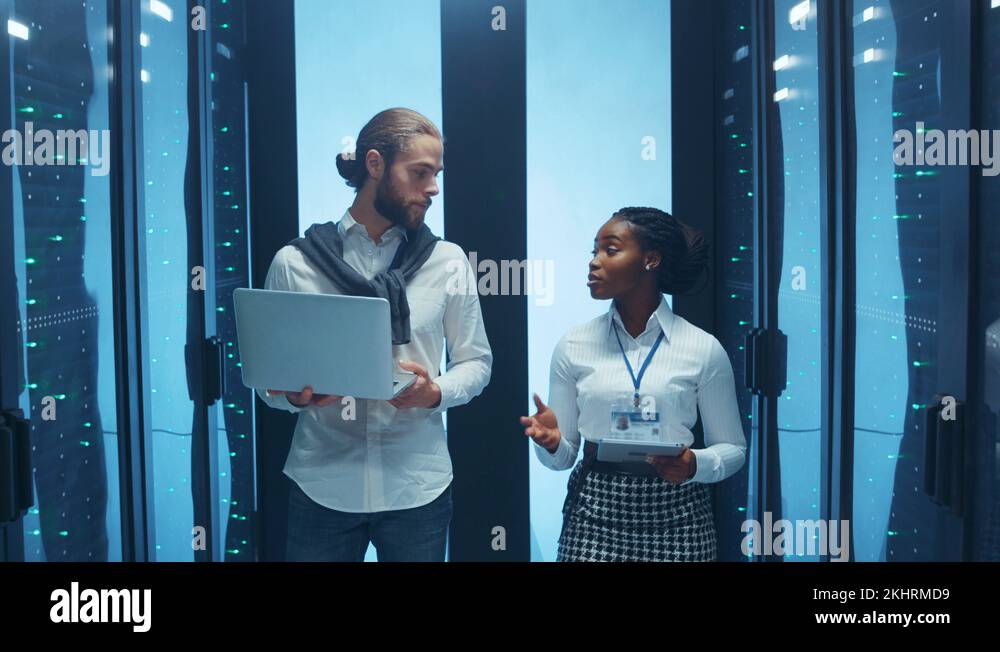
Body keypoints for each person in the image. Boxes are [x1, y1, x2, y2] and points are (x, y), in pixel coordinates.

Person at [257, 108, 492, 562]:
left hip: (416, 488)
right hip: (321, 485)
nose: (433, 188)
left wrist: (435, 391)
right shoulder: (295, 263)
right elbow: (268, 383)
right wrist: (292, 396)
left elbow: (477, 362)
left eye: (436, 174)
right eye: (420, 173)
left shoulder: (448, 261)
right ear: (375, 164)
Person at [520, 207, 746, 561]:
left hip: (679, 516)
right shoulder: (572, 345)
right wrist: (550, 443)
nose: (594, 262)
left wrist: (693, 465)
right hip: (593, 515)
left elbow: (733, 449)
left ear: (650, 260)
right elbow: (564, 459)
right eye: (593, 251)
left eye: (610, 250)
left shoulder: (703, 348)